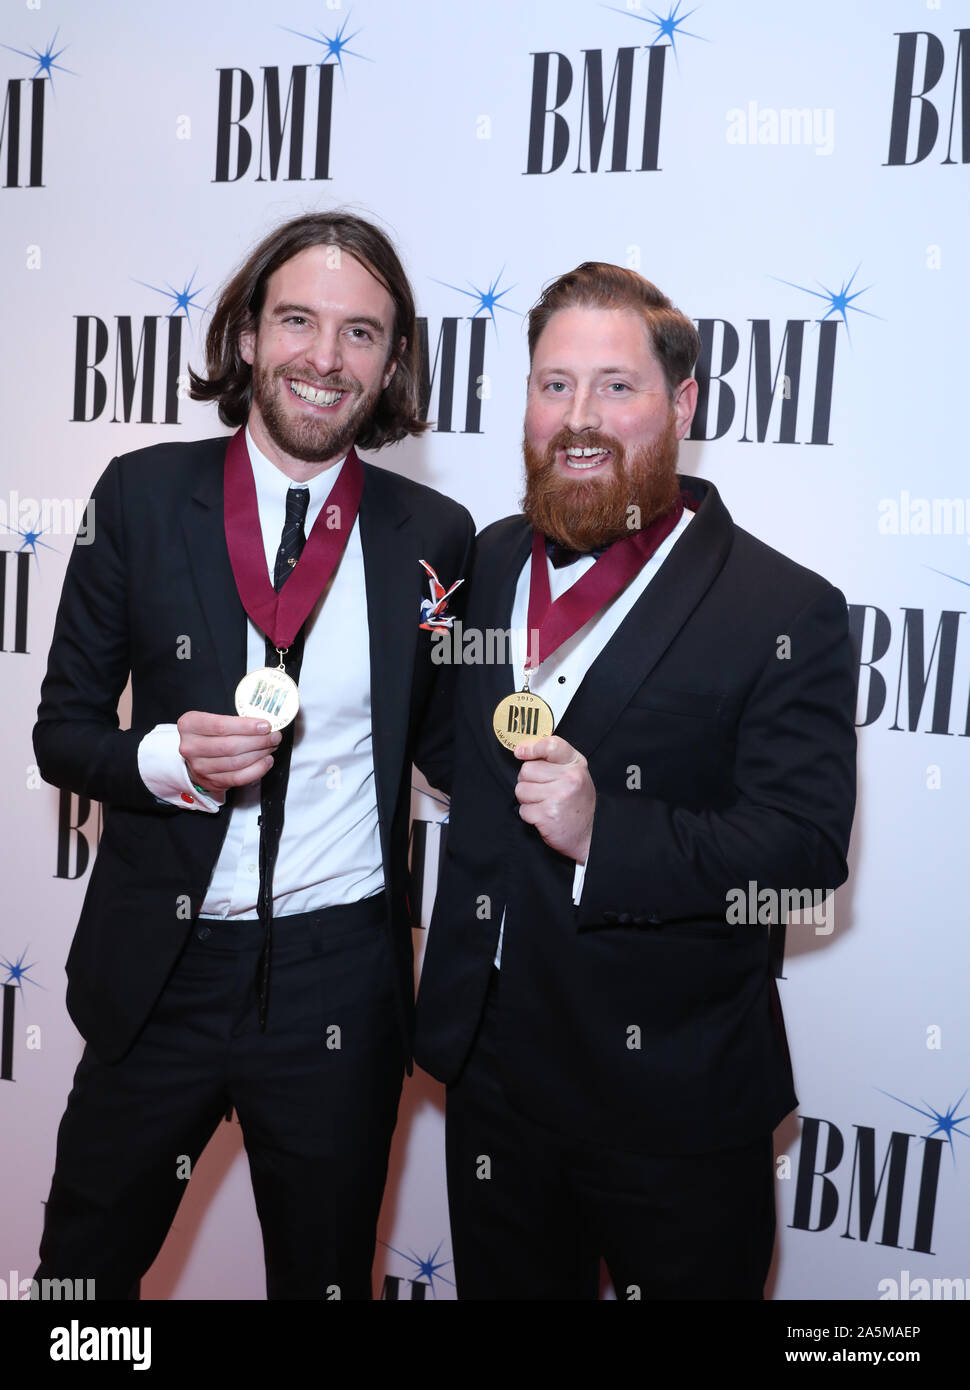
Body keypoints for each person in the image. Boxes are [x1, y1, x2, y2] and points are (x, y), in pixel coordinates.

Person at [33, 211, 474, 1300]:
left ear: (392, 361)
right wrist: (164, 759)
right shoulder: (138, 496)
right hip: (162, 974)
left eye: (361, 333)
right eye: (297, 320)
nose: (324, 358)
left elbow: (449, 746)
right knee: (79, 1290)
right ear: (244, 336)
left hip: (340, 978)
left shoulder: (435, 534)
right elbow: (64, 731)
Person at [414, 261, 857, 1300]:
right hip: (492, 1090)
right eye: (554, 384)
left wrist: (607, 832)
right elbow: (462, 758)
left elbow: (802, 858)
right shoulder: (482, 559)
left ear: (682, 404)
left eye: (617, 386)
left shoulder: (782, 607)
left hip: (676, 1108)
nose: (580, 417)